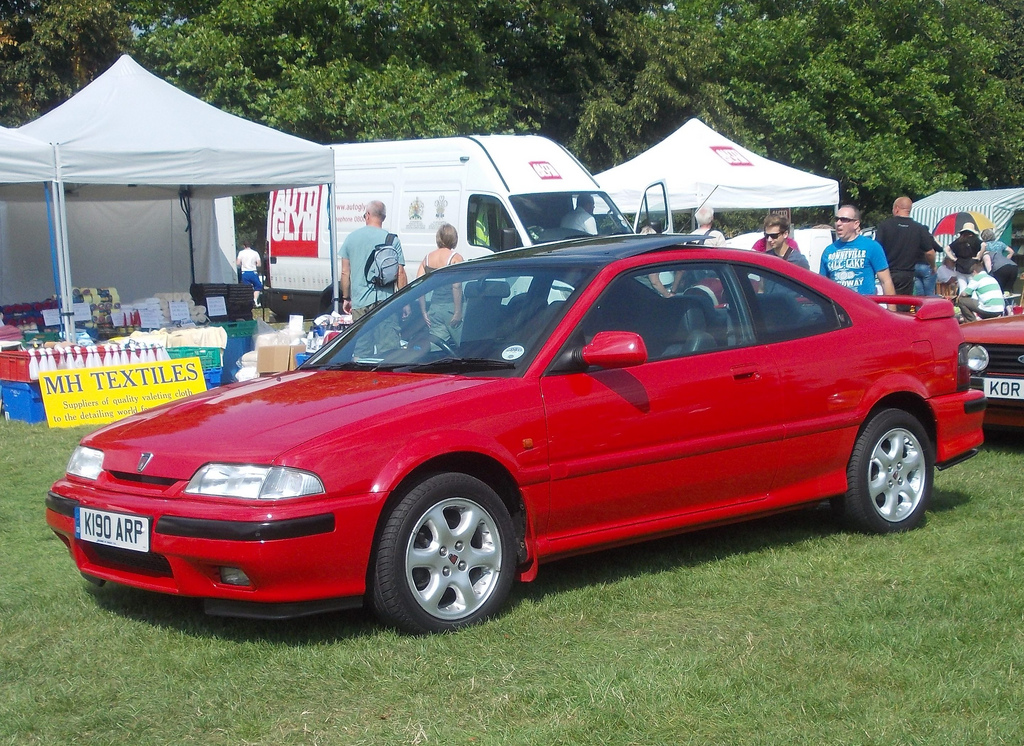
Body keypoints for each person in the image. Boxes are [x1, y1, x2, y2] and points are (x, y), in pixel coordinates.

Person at [340, 201, 408, 357]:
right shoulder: (392, 239)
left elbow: (345, 272)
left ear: (368, 215)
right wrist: (404, 301)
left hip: (360, 303)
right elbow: (400, 273)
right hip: (386, 303)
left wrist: (346, 298)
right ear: (383, 217)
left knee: (362, 350)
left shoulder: (351, 238)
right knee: (389, 351)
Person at [820, 205, 896, 299]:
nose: (838, 223)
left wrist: (891, 311)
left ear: (856, 224)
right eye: (837, 219)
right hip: (838, 309)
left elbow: (886, 281)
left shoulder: (872, 246)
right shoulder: (828, 251)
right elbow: (823, 285)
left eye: (844, 219)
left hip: (864, 308)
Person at [874, 196, 941, 296]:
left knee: (887, 302)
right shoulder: (919, 228)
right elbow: (930, 252)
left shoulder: (884, 226)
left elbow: (876, 249)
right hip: (907, 274)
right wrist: (933, 266)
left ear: (896, 209)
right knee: (904, 304)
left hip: (886, 272)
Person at [417, 223, 464, 345]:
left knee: (437, 346)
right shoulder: (455, 258)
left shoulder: (427, 259)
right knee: (465, 345)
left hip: (435, 308)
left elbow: (419, 286)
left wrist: (423, 311)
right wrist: (458, 311)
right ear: (454, 239)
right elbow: (456, 286)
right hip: (451, 308)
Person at [945, 223, 982, 293]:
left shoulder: (958, 241)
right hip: (972, 265)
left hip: (959, 265)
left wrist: (953, 258)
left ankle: (962, 302)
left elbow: (946, 249)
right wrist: (978, 256)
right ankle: (973, 302)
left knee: (962, 287)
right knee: (973, 287)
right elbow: (984, 245)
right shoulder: (975, 240)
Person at [980, 228, 1018, 294]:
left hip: (994, 268)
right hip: (1006, 265)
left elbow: (985, 258)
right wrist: (1007, 259)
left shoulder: (984, 245)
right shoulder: (1000, 243)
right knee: (1007, 289)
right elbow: (1011, 251)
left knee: (996, 288)